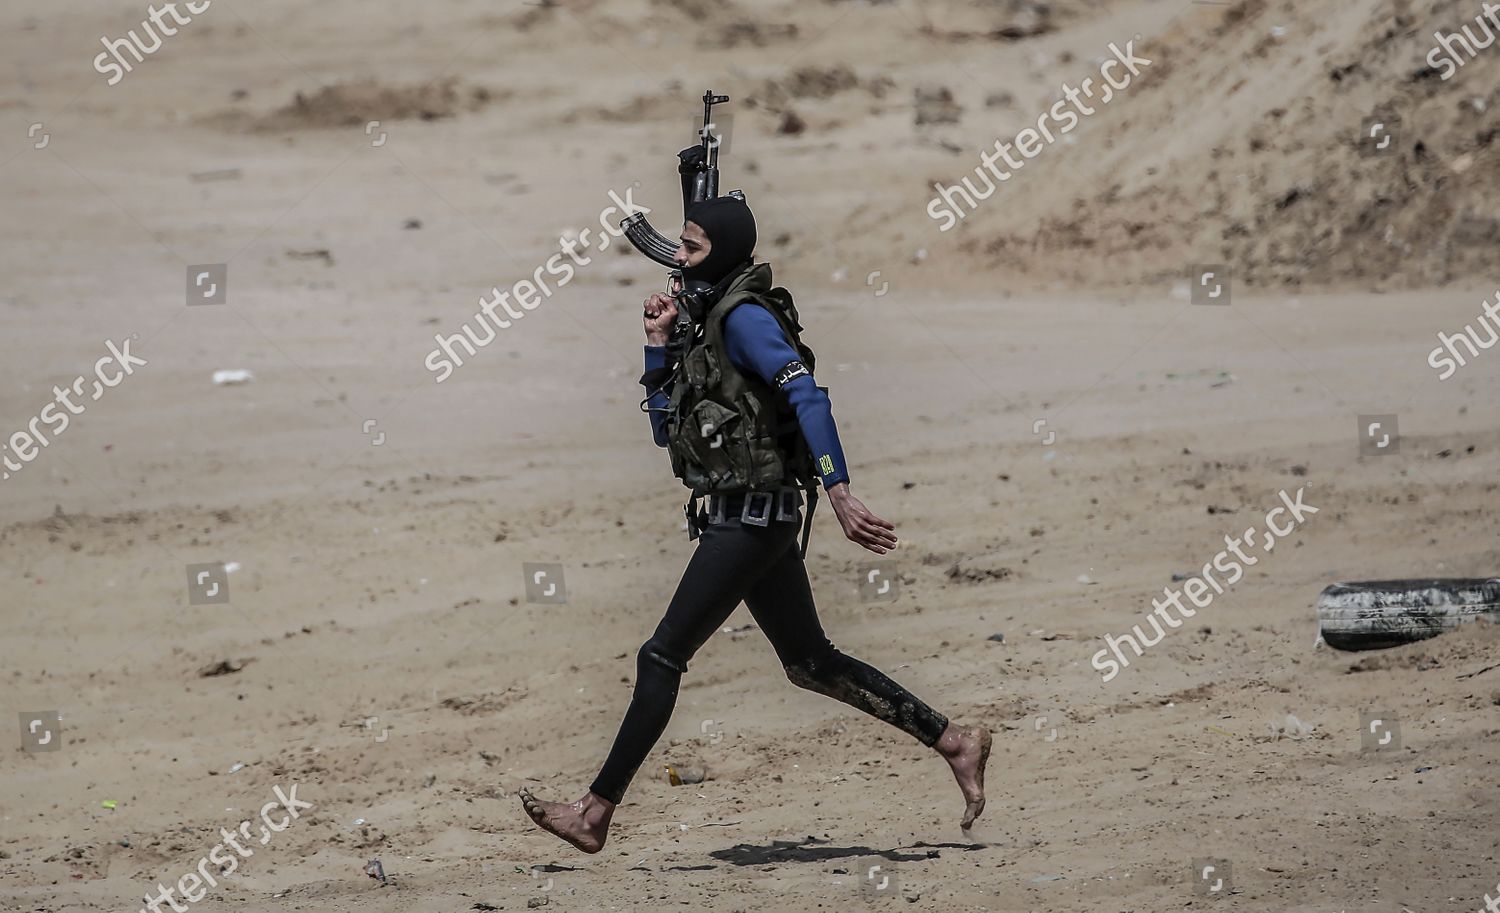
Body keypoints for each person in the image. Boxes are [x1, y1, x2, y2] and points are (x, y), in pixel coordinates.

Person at [519, 195, 992, 854]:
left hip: (751, 521)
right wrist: (657, 347)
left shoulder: (742, 319)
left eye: (691, 247)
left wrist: (840, 488)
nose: (677, 259)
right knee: (809, 662)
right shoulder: (704, 322)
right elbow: (667, 433)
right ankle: (954, 741)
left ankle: (594, 813)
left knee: (661, 655)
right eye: (678, 245)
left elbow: (806, 393)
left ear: (726, 255)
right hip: (745, 519)